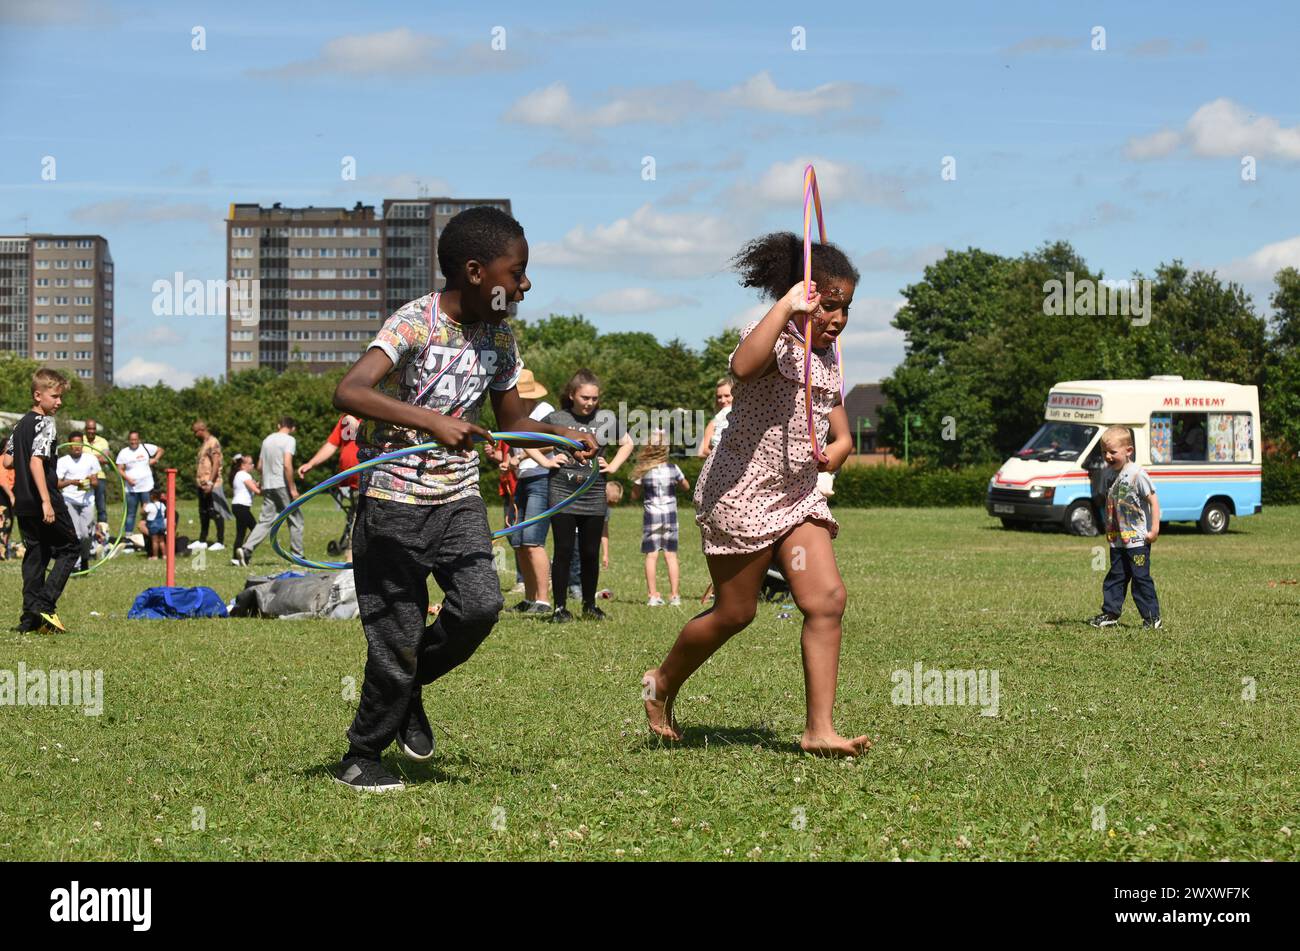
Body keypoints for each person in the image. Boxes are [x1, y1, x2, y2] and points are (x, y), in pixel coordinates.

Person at [329, 204, 596, 792]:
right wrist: (430, 422)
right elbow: (348, 391)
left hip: (456, 497)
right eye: (517, 271)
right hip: (392, 499)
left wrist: (559, 432)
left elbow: (510, 417)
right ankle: (362, 755)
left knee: (479, 607)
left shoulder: (500, 333)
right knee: (395, 632)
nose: (525, 284)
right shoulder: (414, 322)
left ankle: (408, 690)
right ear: (476, 272)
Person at [641, 232, 869, 757]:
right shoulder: (774, 340)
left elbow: (841, 437)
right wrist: (788, 305)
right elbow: (742, 368)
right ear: (802, 296)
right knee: (735, 613)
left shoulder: (828, 356)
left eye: (846, 308)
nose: (837, 318)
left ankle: (818, 730)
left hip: (798, 496)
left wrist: (826, 459)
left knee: (827, 600)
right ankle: (661, 682)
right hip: (740, 493)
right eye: (828, 306)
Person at [542, 369, 634, 623]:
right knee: (563, 550)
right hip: (561, 492)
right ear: (572, 395)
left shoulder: (605, 419)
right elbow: (533, 443)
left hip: (593, 493)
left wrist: (613, 466)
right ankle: (559, 608)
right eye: (585, 398)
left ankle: (589, 605)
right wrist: (547, 460)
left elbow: (628, 442)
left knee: (590, 552)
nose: (590, 403)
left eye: (594, 398)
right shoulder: (557, 418)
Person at [5, 368, 80, 633]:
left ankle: (29, 620)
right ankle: (45, 604)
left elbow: (7, 460)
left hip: (23, 501)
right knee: (72, 548)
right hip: (43, 499)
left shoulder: (20, 424)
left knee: (36, 555)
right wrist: (47, 501)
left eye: (60, 397)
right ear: (39, 395)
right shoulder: (45, 424)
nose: (59, 402)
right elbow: (36, 461)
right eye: (55, 396)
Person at [1089, 426, 1162, 630]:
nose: (1108, 456)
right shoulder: (1109, 475)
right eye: (1105, 452)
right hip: (1117, 540)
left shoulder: (1137, 474)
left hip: (1138, 541)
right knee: (1116, 577)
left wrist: (1154, 528)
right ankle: (1110, 613)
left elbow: (1153, 500)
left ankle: (1152, 618)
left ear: (1128, 451)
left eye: (1113, 452)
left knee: (1140, 578)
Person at [506, 369, 557, 616]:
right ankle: (528, 598)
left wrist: (524, 454)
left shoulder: (544, 412)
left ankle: (543, 601)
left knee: (532, 539)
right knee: (518, 541)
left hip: (541, 478)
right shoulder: (517, 416)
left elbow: (555, 441)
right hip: (523, 479)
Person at [631, 431, 689, 606]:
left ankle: (653, 596)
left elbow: (634, 495)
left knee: (651, 555)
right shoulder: (674, 469)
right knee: (671, 555)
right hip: (670, 516)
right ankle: (674, 595)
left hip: (651, 516)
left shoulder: (643, 471)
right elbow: (686, 486)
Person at [233, 417, 301, 566]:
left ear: (278, 425)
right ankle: (298, 557)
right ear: (292, 428)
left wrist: (263, 484)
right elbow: (287, 465)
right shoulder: (289, 440)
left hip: (269, 485)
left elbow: (259, 466)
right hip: (282, 484)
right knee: (295, 519)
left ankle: (246, 550)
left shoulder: (267, 440)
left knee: (265, 520)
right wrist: (292, 489)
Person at [56, 432, 101, 571]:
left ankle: (85, 558)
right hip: (69, 500)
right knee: (75, 533)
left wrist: (91, 480)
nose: (77, 447)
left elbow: (96, 483)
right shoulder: (63, 461)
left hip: (87, 501)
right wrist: (72, 482)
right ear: (69, 445)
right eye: (74, 444)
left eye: (80, 443)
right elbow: (56, 483)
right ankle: (75, 563)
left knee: (86, 535)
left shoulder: (91, 459)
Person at [115, 431, 163, 544]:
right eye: (131, 440)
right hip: (131, 489)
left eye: (135, 439)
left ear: (139, 440)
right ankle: (128, 539)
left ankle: (147, 537)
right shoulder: (124, 452)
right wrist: (128, 479)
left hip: (147, 488)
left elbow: (160, 450)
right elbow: (119, 468)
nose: (133, 442)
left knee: (148, 512)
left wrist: (155, 459)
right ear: (128, 440)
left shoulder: (146, 448)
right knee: (130, 514)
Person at [191, 420, 229, 552]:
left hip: (212, 483)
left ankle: (220, 541)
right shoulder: (204, 444)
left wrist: (211, 482)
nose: (195, 435)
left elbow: (216, 463)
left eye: (195, 432)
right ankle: (202, 539)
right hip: (202, 483)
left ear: (201, 430)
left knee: (216, 511)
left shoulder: (213, 443)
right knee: (204, 512)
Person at [228, 452, 261, 560]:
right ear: (243, 465)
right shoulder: (244, 475)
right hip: (241, 507)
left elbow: (251, 489)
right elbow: (257, 491)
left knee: (241, 534)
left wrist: (257, 485)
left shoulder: (239, 474)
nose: (253, 466)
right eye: (250, 464)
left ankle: (236, 559)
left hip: (238, 506)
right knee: (256, 530)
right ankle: (244, 550)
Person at [82, 418, 111, 524]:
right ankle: (84, 533)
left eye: (93, 429)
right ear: (85, 429)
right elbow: (77, 456)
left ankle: (103, 534)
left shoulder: (103, 441)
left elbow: (105, 459)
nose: (91, 431)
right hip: (83, 477)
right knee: (83, 505)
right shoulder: (80, 440)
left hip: (100, 477)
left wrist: (87, 457)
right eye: (89, 428)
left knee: (101, 506)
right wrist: (97, 456)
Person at [697, 377, 734, 459]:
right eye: (719, 397)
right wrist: (720, 455)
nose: (723, 400)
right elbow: (701, 452)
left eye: (727, 396)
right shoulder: (715, 421)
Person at [0, 430, 15, 560]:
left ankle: (4, 551)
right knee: (3, 525)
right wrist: (11, 495)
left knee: (8, 525)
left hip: (9, 497)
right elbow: (3, 481)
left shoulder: (12, 462)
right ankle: (2, 553)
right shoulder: (1, 460)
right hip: (2, 498)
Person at [141, 488, 167, 560]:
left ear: (152, 496)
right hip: (161, 525)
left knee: (155, 541)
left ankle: (155, 556)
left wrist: (144, 506)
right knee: (162, 541)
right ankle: (164, 555)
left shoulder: (150, 506)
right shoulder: (162, 505)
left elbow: (142, 513)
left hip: (153, 526)